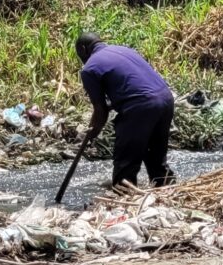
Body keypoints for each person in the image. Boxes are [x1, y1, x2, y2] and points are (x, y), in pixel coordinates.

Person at [75, 33, 177, 188]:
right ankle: (168, 190)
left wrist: (90, 134)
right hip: (166, 99)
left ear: (83, 49)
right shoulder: (124, 50)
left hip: (140, 106)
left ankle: (124, 197)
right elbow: (133, 84)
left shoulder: (89, 69)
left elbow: (100, 111)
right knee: (156, 160)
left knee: (125, 164)